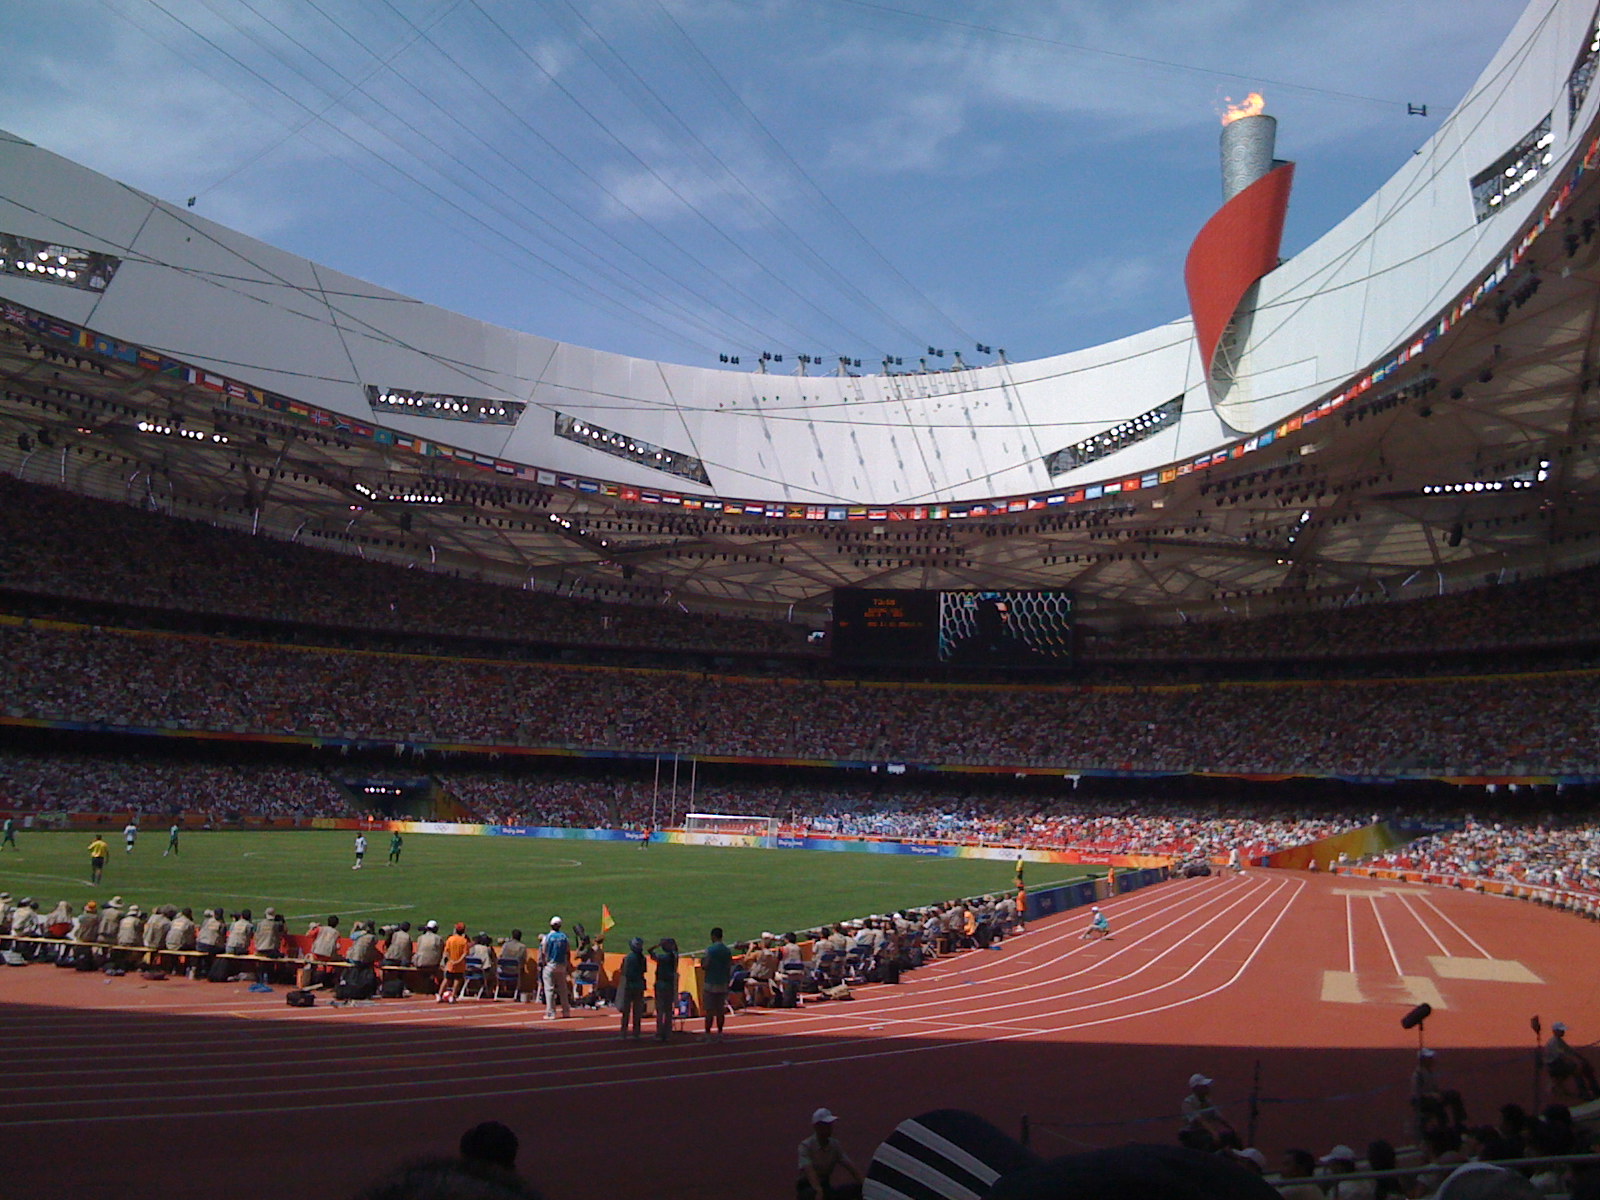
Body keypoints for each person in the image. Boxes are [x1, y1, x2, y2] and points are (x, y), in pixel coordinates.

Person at [798, 1107, 863, 1200]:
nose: (829, 1128)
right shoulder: (805, 1146)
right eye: (826, 1125)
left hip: (825, 1186)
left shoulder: (835, 1145)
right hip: (807, 1187)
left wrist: (864, 1184)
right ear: (817, 1127)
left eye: (830, 1125)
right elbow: (809, 1171)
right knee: (812, 1194)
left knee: (857, 1189)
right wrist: (818, 1190)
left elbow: (849, 1165)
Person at [1544, 1021, 1599, 1100]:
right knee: (1576, 1069)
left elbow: (1570, 1051)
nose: (1563, 1032)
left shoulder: (1559, 1040)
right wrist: (1576, 1062)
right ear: (1555, 1031)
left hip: (1559, 1063)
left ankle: (1595, 1090)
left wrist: (1582, 1059)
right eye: (1561, 1030)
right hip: (1554, 1066)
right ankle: (1583, 1093)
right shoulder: (1554, 1042)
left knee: (1585, 1067)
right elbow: (1562, 1055)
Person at [1179, 1074, 1232, 1151]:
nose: (1207, 1088)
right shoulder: (1188, 1103)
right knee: (1210, 1142)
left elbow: (1219, 1116)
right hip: (1191, 1134)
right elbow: (1200, 1120)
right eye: (1204, 1086)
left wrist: (1233, 1128)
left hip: (1204, 1132)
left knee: (1229, 1137)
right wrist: (1214, 1133)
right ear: (1196, 1088)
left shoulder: (1207, 1101)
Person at [703, 927, 733, 1042]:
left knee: (709, 1010)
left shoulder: (710, 950)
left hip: (711, 982)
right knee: (720, 1010)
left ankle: (708, 1034)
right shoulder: (727, 950)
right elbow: (729, 966)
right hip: (722, 982)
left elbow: (706, 965)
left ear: (713, 936)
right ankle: (720, 1033)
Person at [539, 917, 572, 1020]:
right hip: (561, 965)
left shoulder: (547, 937)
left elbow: (543, 952)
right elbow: (568, 952)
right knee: (563, 989)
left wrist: (543, 963)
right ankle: (566, 1011)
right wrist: (567, 964)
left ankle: (551, 1013)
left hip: (550, 965)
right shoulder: (564, 937)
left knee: (549, 990)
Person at [618, 936, 648, 1040]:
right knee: (637, 1011)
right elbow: (643, 971)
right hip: (639, 985)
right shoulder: (643, 958)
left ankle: (623, 1032)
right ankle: (636, 1032)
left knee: (626, 1011)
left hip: (629, 985)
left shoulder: (628, 958)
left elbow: (624, 971)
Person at [650, 936, 679, 1041]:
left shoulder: (663, 958)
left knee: (660, 1010)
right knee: (668, 1010)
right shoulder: (674, 956)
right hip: (670, 985)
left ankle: (660, 1032)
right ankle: (668, 1032)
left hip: (661, 984)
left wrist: (657, 945)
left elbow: (650, 952)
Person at [439, 921, 470, 1003]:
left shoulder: (450, 939)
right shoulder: (464, 941)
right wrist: (458, 961)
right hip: (460, 964)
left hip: (450, 963)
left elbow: (446, 952)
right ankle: (453, 996)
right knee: (457, 979)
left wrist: (451, 960)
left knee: (447, 979)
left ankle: (439, 995)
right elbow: (465, 953)